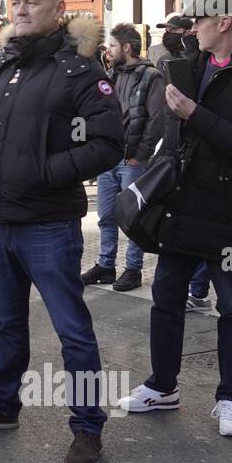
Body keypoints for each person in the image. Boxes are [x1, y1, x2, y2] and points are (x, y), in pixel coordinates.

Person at [0, 0, 124, 463]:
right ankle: (2, 405)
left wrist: (46, 172)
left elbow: (109, 142)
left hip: (48, 225)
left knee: (73, 331)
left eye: (32, 3)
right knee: (5, 324)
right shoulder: (2, 66)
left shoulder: (79, 72)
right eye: (15, 2)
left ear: (58, 9)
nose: (21, 10)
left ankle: (88, 427)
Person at [118, 0, 232, 438]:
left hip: (231, 212)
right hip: (183, 207)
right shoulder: (190, 65)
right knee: (166, 299)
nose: (192, 28)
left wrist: (194, 114)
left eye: (200, 20)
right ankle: (162, 386)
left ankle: (231, 399)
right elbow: (173, 136)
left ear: (226, 22)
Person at [81, 23, 164, 293]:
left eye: (112, 46)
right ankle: (106, 265)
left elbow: (156, 119)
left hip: (132, 160)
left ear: (126, 48)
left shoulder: (151, 76)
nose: (108, 51)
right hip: (109, 157)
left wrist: (140, 155)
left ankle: (133, 268)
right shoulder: (111, 74)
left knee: (132, 217)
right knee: (106, 215)